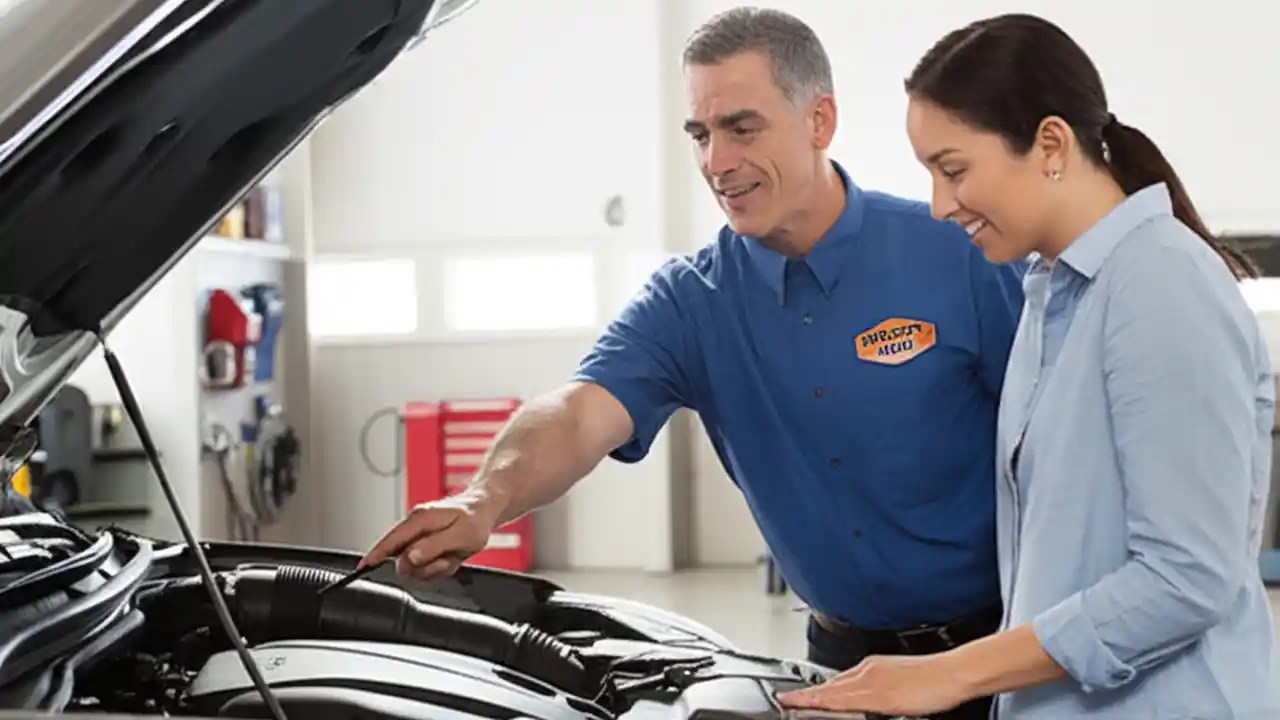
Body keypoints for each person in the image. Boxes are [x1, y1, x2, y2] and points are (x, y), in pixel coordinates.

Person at [360, 9, 1023, 718]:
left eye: (742, 128)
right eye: (700, 135)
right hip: (840, 668)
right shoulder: (691, 301)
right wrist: (483, 499)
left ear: (819, 121)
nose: (715, 162)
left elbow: (1053, 441)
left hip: (994, 656)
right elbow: (580, 414)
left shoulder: (955, 253)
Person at [777, 12, 1280, 719]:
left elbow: (1188, 575)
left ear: (1050, 144)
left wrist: (951, 672)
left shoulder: (1160, 281)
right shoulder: (1050, 294)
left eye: (953, 171)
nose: (939, 205)